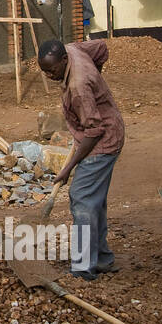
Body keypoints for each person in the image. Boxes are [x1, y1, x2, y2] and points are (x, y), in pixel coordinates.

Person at [37, 38, 125, 279]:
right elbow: (101, 49)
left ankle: (83, 267)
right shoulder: (74, 49)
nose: (50, 75)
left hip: (103, 141)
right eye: (44, 71)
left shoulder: (78, 86)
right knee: (93, 199)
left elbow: (94, 131)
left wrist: (69, 168)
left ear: (63, 60)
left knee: (82, 198)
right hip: (99, 130)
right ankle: (103, 259)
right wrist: (97, 84)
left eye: (52, 70)